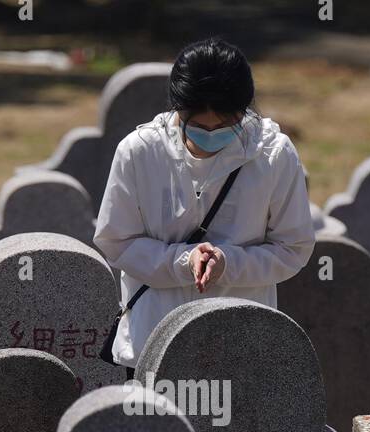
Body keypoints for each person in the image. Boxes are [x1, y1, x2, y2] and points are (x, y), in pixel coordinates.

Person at [94, 37, 316, 369]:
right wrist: (184, 261)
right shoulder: (140, 152)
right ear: (177, 110)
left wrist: (228, 262)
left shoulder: (273, 155)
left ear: (244, 111)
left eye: (225, 126)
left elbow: (293, 248)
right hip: (154, 341)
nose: (211, 135)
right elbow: (116, 242)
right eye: (197, 126)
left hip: (242, 341)